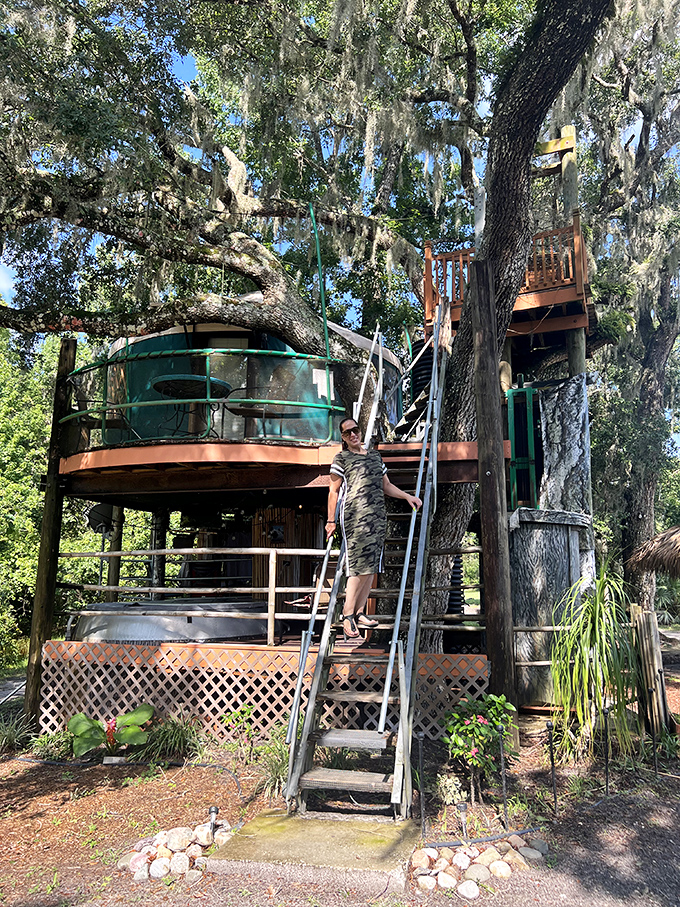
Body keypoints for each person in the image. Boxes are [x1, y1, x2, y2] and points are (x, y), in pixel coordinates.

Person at [326, 416, 422, 643]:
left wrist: (407, 496)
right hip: (354, 517)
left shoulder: (375, 456)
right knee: (358, 566)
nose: (353, 435)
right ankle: (347, 615)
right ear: (343, 437)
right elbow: (333, 491)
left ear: (360, 431)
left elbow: (386, 485)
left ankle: (360, 612)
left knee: (372, 566)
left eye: (355, 430)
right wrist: (331, 521)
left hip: (377, 517)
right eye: (347, 433)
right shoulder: (341, 458)